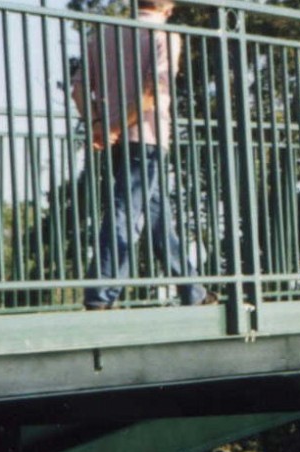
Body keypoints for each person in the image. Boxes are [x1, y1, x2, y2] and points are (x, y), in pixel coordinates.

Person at [73, 0, 210, 309]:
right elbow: (152, 93)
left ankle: (193, 291)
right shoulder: (164, 35)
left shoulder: (105, 32)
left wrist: (99, 125)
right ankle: (101, 295)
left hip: (113, 141)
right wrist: (116, 127)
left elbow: (78, 87)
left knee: (158, 218)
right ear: (170, 7)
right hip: (147, 138)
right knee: (124, 211)